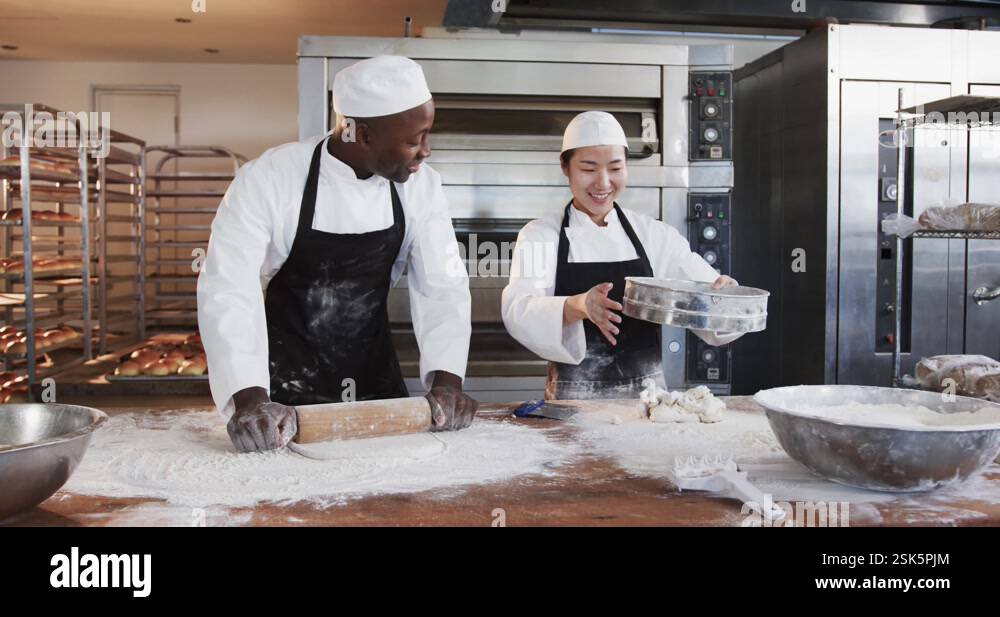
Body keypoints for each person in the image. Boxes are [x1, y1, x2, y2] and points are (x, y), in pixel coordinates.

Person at [198, 55, 477, 452]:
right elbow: (228, 289)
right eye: (414, 140)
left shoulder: (421, 187)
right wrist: (250, 400)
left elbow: (443, 286)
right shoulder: (270, 179)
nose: (426, 151)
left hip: (380, 396)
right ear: (363, 135)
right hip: (279, 404)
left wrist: (447, 383)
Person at [501, 111, 744, 400]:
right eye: (588, 169)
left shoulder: (654, 235)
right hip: (570, 408)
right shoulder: (541, 235)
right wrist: (578, 306)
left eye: (615, 169)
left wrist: (725, 300)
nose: (603, 183)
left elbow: (710, 311)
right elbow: (519, 310)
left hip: (647, 406)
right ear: (565, 167)